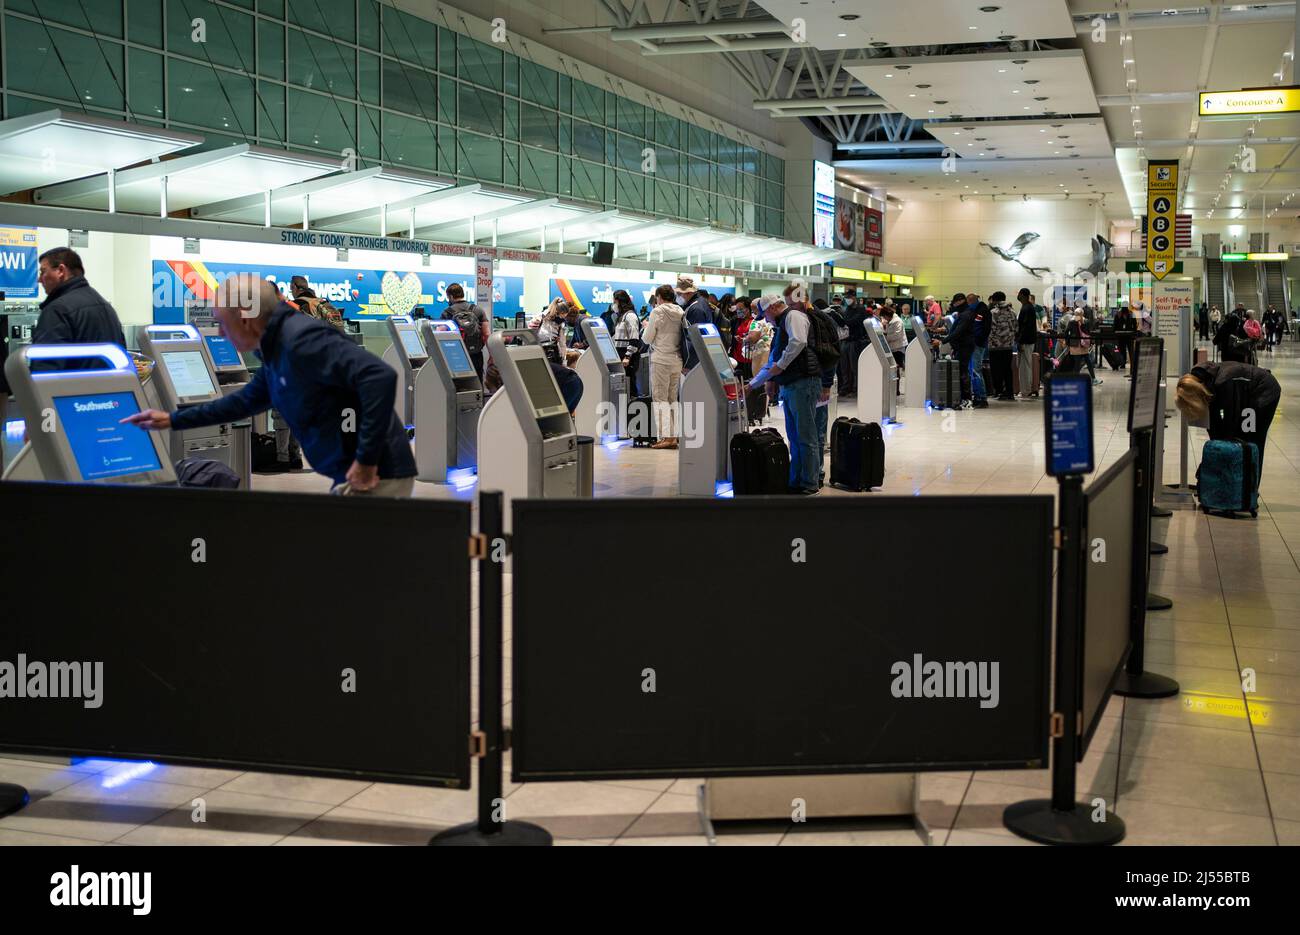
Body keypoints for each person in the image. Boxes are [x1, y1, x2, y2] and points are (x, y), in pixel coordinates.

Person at [124, 274, 416, 496]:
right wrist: (173, 419)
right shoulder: (276, 348)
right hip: (355, 473)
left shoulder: (301, 339)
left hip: (378, 473)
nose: (222, 335)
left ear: (246, 320)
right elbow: (244, 402)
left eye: (223, 325)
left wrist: (366, 460)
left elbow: (379, 376)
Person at [748, 293, 822, 495]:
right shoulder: (781, 325)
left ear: (772, 308)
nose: (766, 320)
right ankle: (796, 480)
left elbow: (798, 342)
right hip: (792, 384)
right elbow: (772, 361)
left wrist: (780, 367)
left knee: (806, 436)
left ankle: (810, 482)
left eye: (765, 315)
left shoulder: (794, 317)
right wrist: (753, 384)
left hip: (803, 383)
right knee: (795, 436)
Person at [1176, 360, 1281, 476]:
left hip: (1264, 391)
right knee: (1235, 439)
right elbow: (1214, 424)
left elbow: (1231, 424)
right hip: (1246, 389)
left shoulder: (1223, 384)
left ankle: (1249, 487)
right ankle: (1236, 482)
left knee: (1251, 442)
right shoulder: (1204, 381)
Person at [32, 247, 126, 368]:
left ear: (61, 270)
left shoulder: (57, 310)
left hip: (73, 386)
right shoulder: (105, 305)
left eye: (43, 272)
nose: (39, 279)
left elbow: (45, 369)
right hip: (112, 385)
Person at [641, 284, 685, 450]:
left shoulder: (657, 311)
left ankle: (667, 437)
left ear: (659, 297)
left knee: (660, 399)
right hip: (677, 360)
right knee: (672, 398)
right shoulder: (680, 311)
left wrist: (646, 327)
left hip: (661, 360)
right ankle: (674, 436)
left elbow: (647, 339)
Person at [440, 282, 489, 377]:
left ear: (450, 296)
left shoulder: (447, 313)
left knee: (459, 385)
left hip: (456, 356)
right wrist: (492, 356)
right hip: (476, 355)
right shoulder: (478, 310)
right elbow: (487, 334)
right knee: (477, 383)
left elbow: (440, 333)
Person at [676, 275, 712, 371]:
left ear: (688, 293)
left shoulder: (695, 309)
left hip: (695, 362)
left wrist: (688, 363)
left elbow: (693, 339)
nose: (678, 296)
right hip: (701, 358)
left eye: (679, 293)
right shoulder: (701, 302)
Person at [609, 289, 642, 387]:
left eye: (614, 302)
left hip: (627, 355)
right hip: (620, 353)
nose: (613, 304)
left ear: (620, 301)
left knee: (629, 384)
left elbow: (634, 337)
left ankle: (631, 402)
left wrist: (628, 356)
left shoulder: (630, 316)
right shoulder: (621, 317)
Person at [987, 291, 1016, 401]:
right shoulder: (1012, 312)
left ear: (994, 300)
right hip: (1008, 346)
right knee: (1007, 369)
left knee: (996, 369)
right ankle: (1009, 392)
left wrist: (990, 341)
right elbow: (1015, 327)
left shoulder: (993, 312)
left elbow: (991, 329)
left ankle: (999, 391)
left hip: (995, 346)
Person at [840, 289, 869, 396]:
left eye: (848, 297)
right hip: (846, 340)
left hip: (855, 341)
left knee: (854, 367)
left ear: (854, 297)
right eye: (846, 298)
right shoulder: (847, 309)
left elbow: (854, 322)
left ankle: (856, 388)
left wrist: (843, 322)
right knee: (844, 366)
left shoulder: (861, 309)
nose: (847, 299)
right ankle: (846, 387)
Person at [966, 293, 990, 408]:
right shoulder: (980, 309)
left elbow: (980, 328)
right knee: (974, 370)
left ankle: (981, 397)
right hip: (978, 343)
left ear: (972, 301)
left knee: (976, 371)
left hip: (977, 344)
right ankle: (978, 396)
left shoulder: (981, 311)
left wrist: (974, 340)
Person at [1015, 288, 1039, 400]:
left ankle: (1026, 391)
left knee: (1025, 367)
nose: (1018, 295)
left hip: (1026, 341)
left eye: (1019, 294)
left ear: (1023, 295)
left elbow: (1025, 327)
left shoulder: (1027, 308)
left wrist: (1020, 341)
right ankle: (1025, 390)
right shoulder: (1027, 307)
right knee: (1024, 366)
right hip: (1027, 340)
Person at [730, 296, 755, 382]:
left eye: (741, 308)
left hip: (749, 358)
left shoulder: (755, 321)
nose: (738, 311)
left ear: (748, 308)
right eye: (737, 309)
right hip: (736, 357)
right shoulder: (735, 320)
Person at [880, 304, 907, 374]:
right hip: (893, 348)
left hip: (897, 349)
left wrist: (885, 337)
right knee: (894, 370)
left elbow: (897, 335)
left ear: (886, 315)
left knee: (896, 370)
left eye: (884, 317)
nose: (884, 319)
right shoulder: (891, 321)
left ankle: (896, 385)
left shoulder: (897, 321)